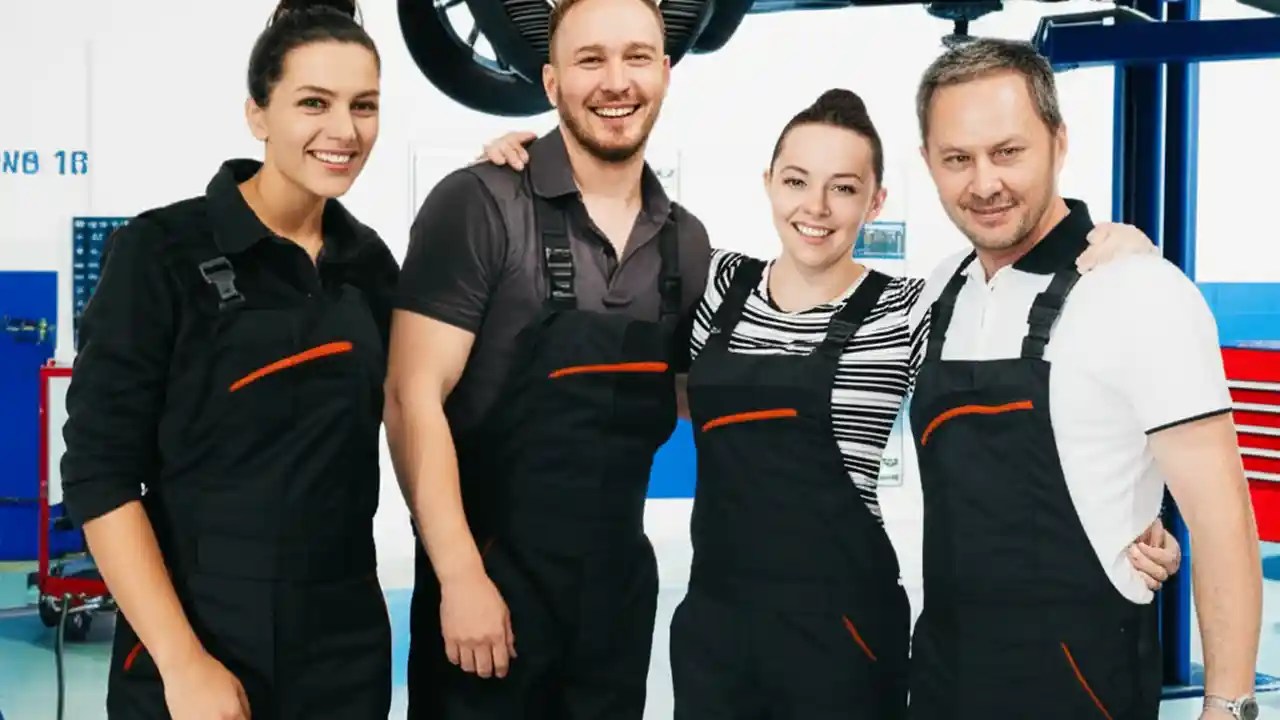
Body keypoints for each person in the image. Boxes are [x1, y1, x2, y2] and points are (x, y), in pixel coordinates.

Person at [477, 97, 1178, 720]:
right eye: (797, 182)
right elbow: (619, 251)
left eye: (843, 188)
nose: (815, 208)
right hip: (716, 626)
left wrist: (1121, 245)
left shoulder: (914, 308)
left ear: (874, 200)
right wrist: (523, 165)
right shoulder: (713, 280)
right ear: (768, 185)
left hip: (844, 635)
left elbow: (1041, 394)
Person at [904, 38, 1262, 720]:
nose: (984, 183)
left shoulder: (1138, 292)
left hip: (1079, 689)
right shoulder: (932, 293)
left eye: (1009, 151)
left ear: (1058, 142)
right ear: (929, 163)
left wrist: (1228, 706)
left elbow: (1222, 524)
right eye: (958, 159)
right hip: (946, 679)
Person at [59, 2, 397, 718]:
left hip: (345, 655)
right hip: (198, 649)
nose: (344, 131)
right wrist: (183, 665)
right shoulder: (162, 253)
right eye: (314, 103)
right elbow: (98, 473)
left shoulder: (369, 265)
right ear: (257, 114)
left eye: (364, 106)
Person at [383, 0, 711, 717]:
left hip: (617, 602)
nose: (615, 80)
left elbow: (692, 399)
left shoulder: (686, 243)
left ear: (666, 71)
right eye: (590, 59)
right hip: (490, 590)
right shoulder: (480, 203)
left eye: (636, 57)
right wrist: (461, 575)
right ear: (552, 81)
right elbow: (411, 399)